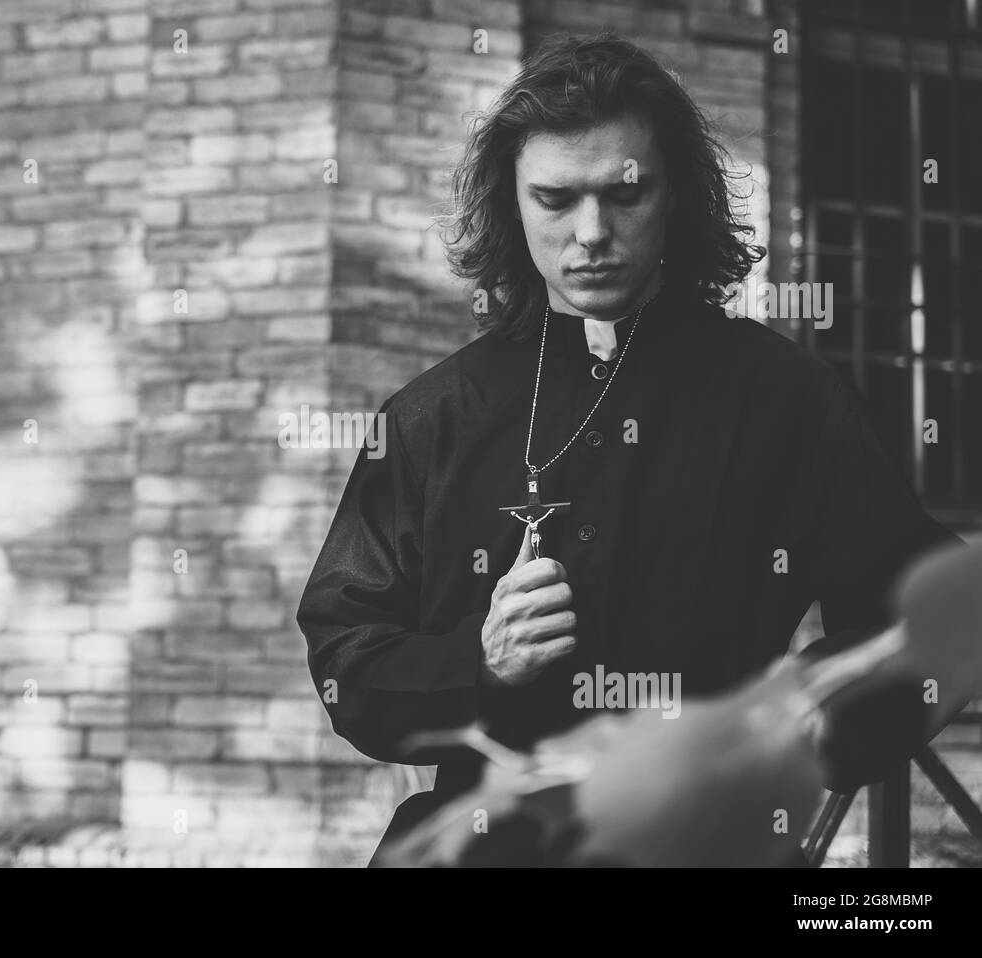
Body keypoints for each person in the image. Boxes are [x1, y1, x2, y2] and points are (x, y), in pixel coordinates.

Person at [295, 34, 961, 866]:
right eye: (556, 198)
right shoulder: (434, 416)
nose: (592, 232)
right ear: (513, 204)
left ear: (676, 194)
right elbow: (346, 659)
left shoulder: (785, 398)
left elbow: (933, 625)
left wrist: (779, 732)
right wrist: (479, 658)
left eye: (625, 194)